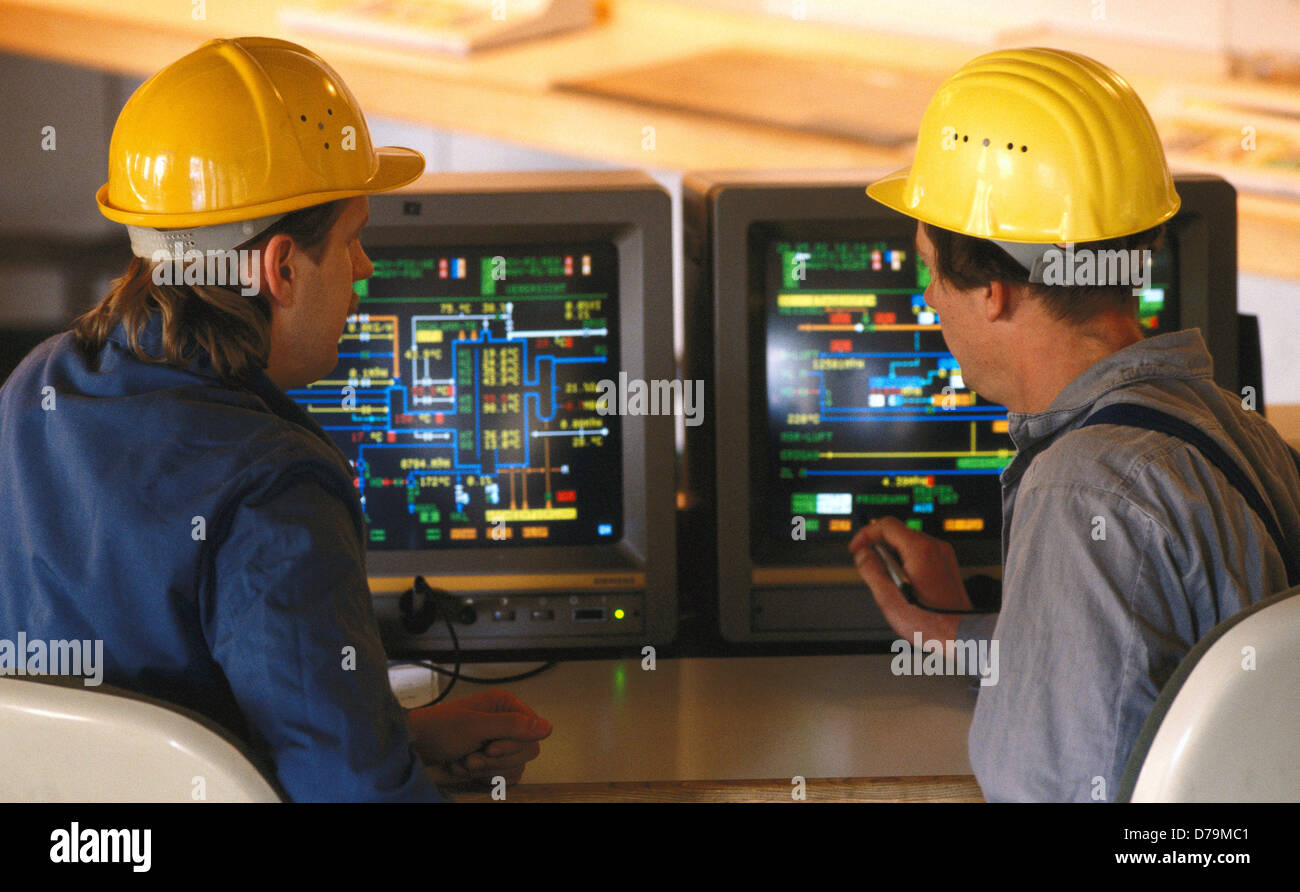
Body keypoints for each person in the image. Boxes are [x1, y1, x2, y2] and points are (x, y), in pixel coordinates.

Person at [0, 36, 550, 801]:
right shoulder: (272, 491)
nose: (364, 270)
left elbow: (143, 729)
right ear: (280, 267)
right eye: (354, 240)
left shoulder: (34, 388)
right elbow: (351, 795)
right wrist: (383, 764)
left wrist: (400, 735)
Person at [849, 47, 1300, 801]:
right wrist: (957, 634)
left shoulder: (1083, 493)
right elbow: (1145, 671)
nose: (928, 297)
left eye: (929, 266)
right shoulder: (1232, 431)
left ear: (993, 290)